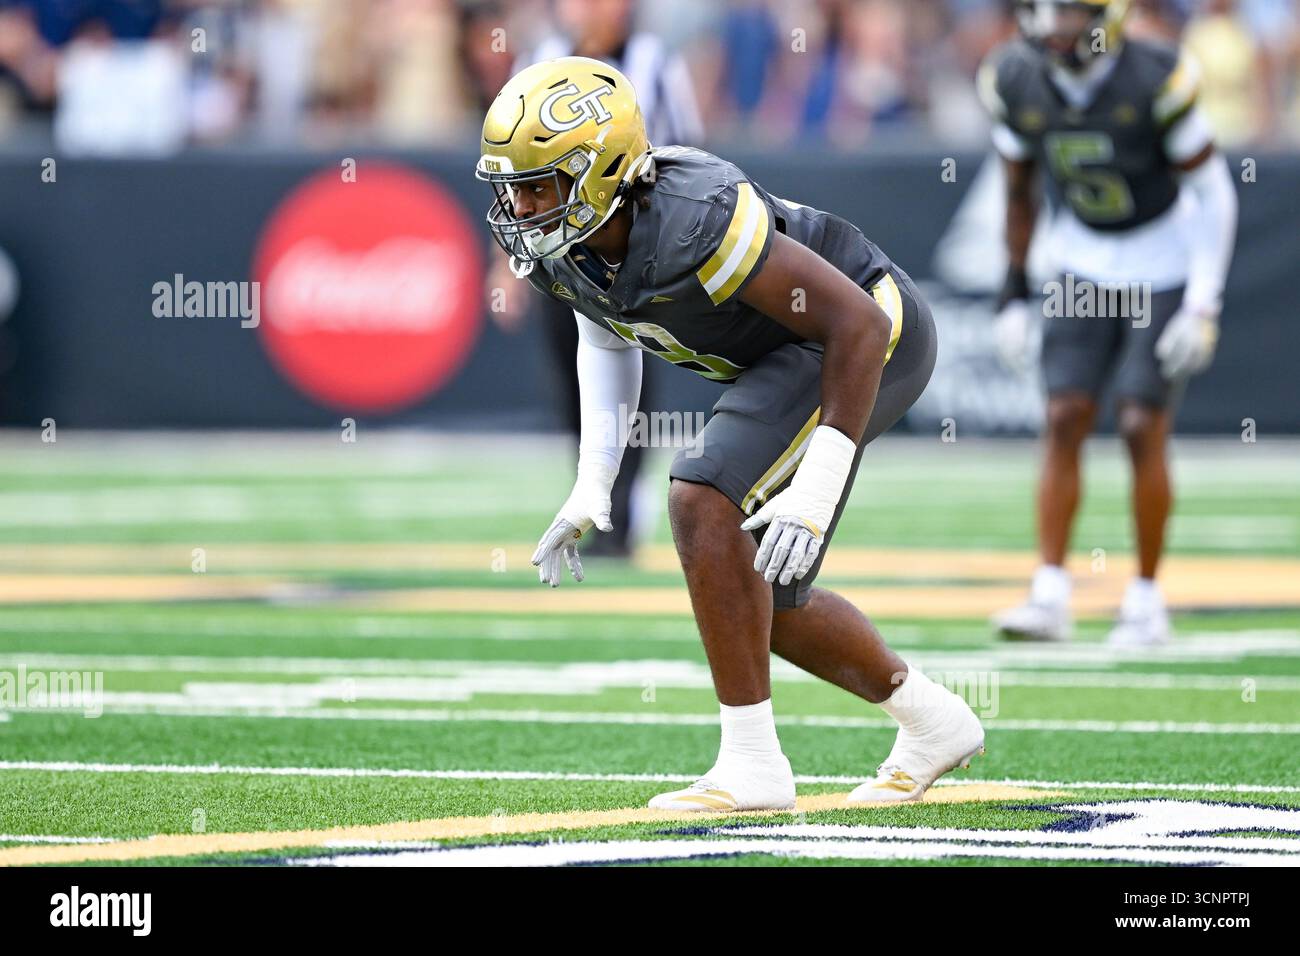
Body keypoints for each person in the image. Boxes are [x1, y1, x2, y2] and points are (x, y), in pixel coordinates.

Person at [476, 56, 984, 810]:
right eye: (511, 189)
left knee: (699, 498)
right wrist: (593, 480)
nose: (520, 207)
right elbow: (606, 339)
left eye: (538, 185)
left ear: (602, 170)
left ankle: (753, 766)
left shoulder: (696, 216)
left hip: (869, 338)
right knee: (755, 594)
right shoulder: (565, 247)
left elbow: (858, 322)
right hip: (795, 356)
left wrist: (817, 485)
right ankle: (934, 721)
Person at [979, 0, 1238, 646]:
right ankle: (1049, 594)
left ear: (1107, 18)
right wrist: (1012, 292)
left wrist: (1204, 303)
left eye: (1072, 12)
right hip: (1079, 258)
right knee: (1064, 416)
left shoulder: (1153, 77)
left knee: (1139, 423)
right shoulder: (1015, 78)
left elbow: (1215, 192)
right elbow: (1019, 190)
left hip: (1163, 258)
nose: (1056, 25)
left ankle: (1147, 600)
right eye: (1047, 11)